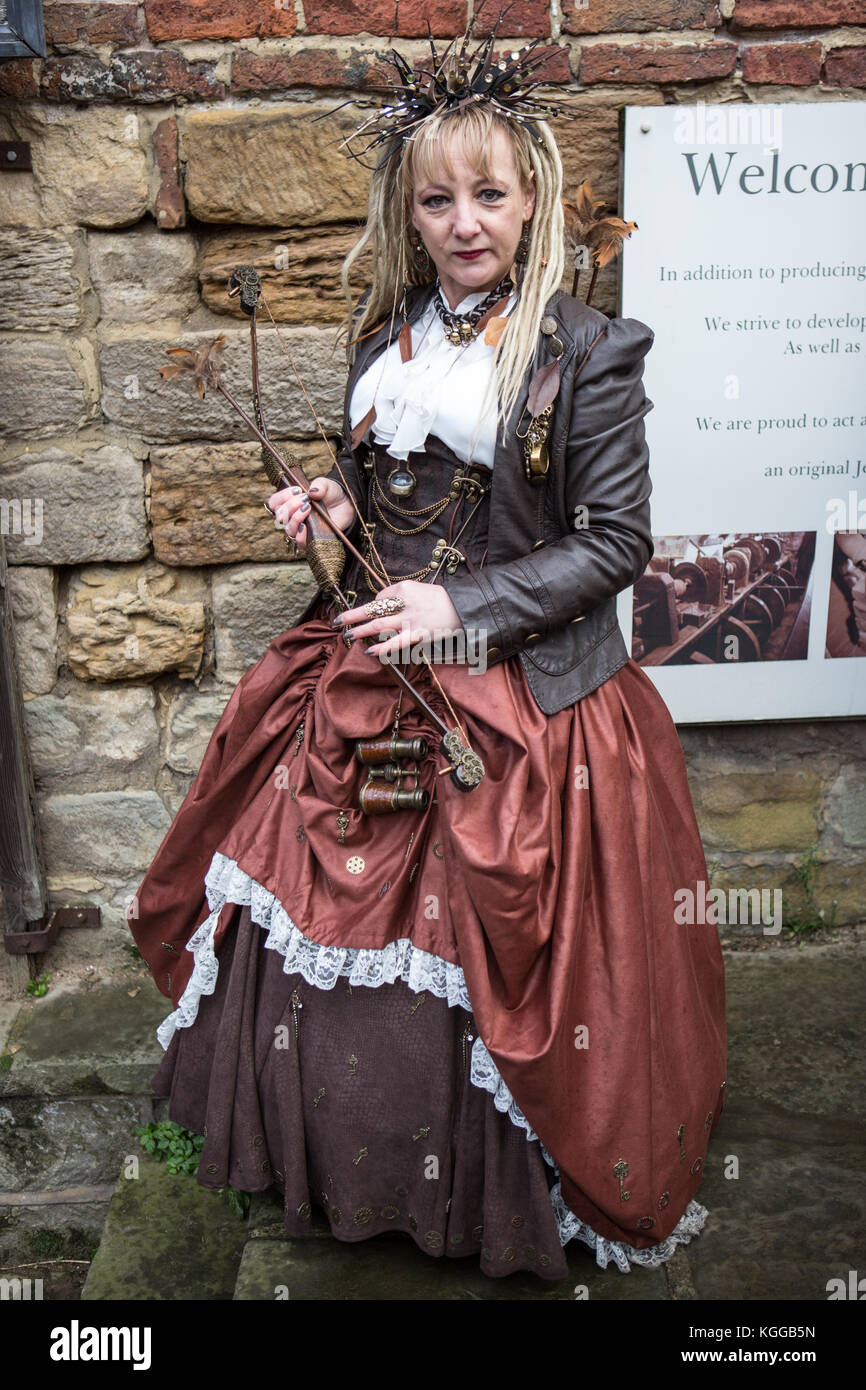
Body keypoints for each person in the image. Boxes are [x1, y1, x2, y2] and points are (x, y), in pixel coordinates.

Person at [129, 29, 726, 1281]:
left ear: (533, 201)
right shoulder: (388, 334)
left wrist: (458, 609)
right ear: (409, 212)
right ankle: (351, 1174)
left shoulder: (584, 356)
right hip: (365, 674)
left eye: (488, 196)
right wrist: (333, 512)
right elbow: (373, 484)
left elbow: (614, 542)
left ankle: (495, 1197)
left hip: (517, 698)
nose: (463, 222)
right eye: (437, 198)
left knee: (489, 926)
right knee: (302, 887)